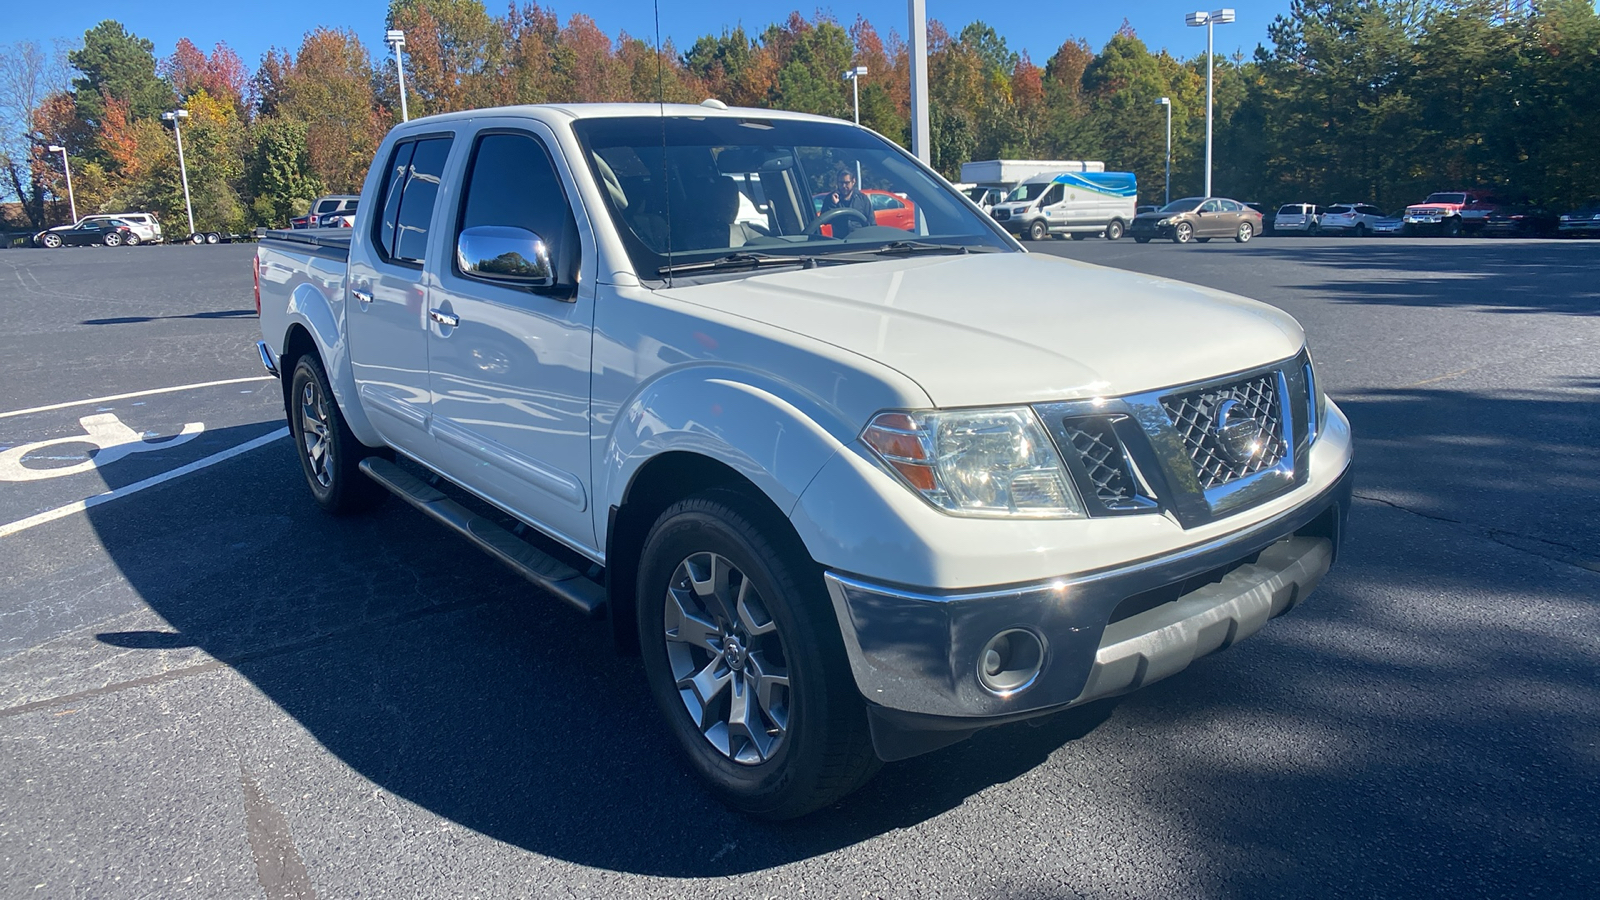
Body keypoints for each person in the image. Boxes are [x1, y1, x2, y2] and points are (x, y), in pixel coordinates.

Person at [820, 169, 875, 238]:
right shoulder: (830, 198)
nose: (844, 186)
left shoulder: (862, 199)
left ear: (853, 181)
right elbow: (825, 220)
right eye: (841, 183)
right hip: (840, 240)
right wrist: (833, 204)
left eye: (847, 183)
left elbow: (871, 222)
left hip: (859, 239)